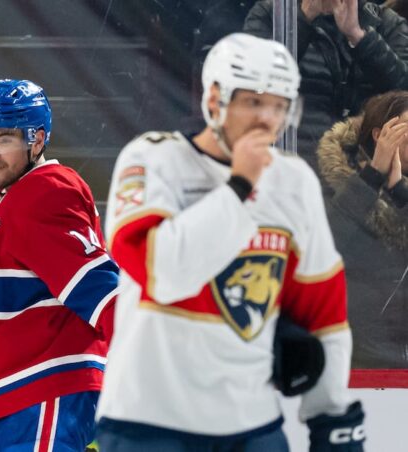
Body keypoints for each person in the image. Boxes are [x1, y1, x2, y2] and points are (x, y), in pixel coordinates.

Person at [97, 33, 363, 451]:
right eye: (254, 102)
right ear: (216, 99)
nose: (267, 119)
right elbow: (164, 275)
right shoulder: (152, 160)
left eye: (279, 106)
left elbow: (322, 312)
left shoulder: (294, 183)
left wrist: (331, 415)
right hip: (148, 420)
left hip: (251, 422)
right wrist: (239, 187)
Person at [0, 79, 119, 451]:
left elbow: (103, 292)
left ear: (36, 140)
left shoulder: (43, 192)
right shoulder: (13, 197)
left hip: (44, 393)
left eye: (3, 139)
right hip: (16, 400)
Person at [244, 0, 408, 172]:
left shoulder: (388, 24)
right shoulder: (270, 13)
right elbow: (253, 82)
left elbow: (403, 93)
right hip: (290, 162)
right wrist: (303, 17)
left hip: (367, 170)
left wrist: (359, 37)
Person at [316, 90, 408, 368]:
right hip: (360, 350)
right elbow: (328, 243)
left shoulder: (400, 187)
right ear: (380, 134)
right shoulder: (332, 178)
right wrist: (372, 175)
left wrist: (399, 192)